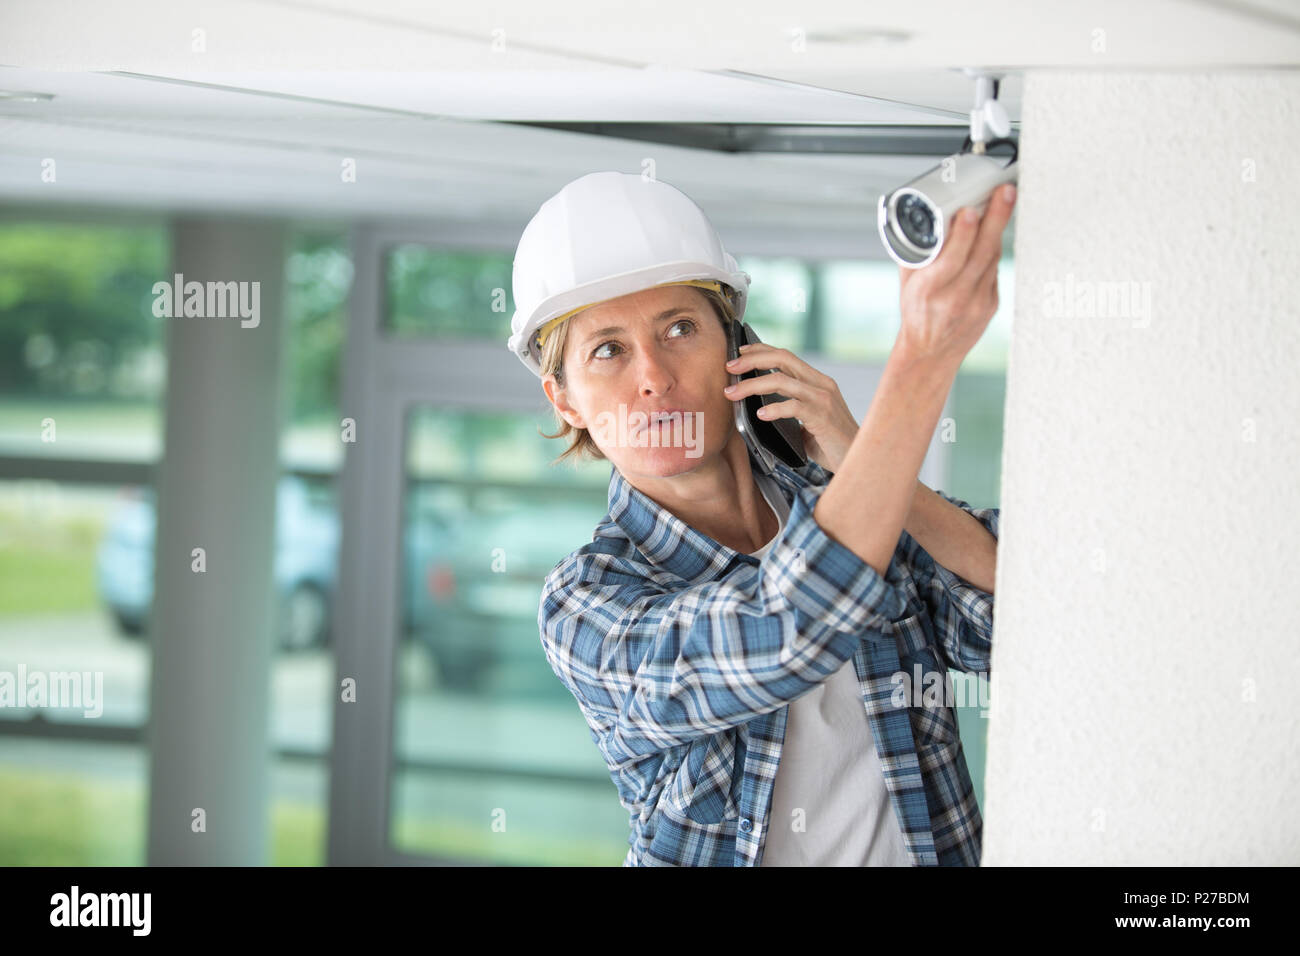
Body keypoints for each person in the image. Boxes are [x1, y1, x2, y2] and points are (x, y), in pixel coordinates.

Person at [507, 170, 1015, 866]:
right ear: (565, 401)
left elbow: (1019, 622)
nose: (653, 376)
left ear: (738, 350)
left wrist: (857, 455)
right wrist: (922, 359)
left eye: (680, 328)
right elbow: (787, 628)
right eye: (608, 350)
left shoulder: (851, 505)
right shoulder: (585, 603)